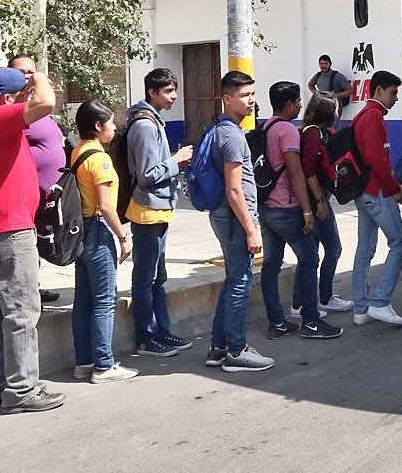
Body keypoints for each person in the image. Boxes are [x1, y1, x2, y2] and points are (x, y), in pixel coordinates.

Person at [0, 66, 64, 412]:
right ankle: (22, 389)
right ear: (8, 99)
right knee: (22, 310)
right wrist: (38, 77)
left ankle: (0, 383)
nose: (27, 101)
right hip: (6, 230)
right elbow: (47, 102)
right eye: (22, 95)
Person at [257, 82, 343, 341]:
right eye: (296, 102)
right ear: (287, 104)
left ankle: (277, 322)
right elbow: (297, 172)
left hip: (267, 206)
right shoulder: (288, 131)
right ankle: (311, 321)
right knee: (308, 259)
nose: (300, 106)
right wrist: (308, 210)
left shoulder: (268, 126)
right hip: (287, 207)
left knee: (270, 266)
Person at [205, 71, 273, 372]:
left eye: (252, 94)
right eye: (244, 95)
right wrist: (251, 229)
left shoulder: (221, 129)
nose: (251, 100)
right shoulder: (232, 135)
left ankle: (219, 347)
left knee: (233, 280)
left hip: (226, 216)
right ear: (227, 98)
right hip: (235, 219)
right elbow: (234, 190)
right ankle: (236, 350)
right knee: (240, 284)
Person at [125, 68, 194, 357]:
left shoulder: (155, 121)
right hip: (147, 210)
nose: (173, 96)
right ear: (152, 92)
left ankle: (161, 331)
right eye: (167, 91)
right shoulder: (144, 125)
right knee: (145, 277)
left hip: (159, 208)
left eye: (174, 90)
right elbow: (146, 174)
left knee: (158, 276)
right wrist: (176, 161)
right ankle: (147, 336)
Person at [69, 100, 137, 384]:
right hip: (97, 229)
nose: (114, 128)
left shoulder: (77, 152)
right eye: (110, 123)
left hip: (78, 230)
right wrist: (123, 236)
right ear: (98, 127)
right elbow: (106, 206)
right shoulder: (100, 159)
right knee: (105, 300)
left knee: (83, 299)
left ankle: (84, 361)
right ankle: (104, 365)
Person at [351, 69, 402, 327]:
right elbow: (376, 159)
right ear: (378, 90)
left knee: (364, 249)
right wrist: (394, 188)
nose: (395, 98)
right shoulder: (374, 116)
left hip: (364, 191)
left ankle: (361, 308)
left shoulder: (362, 116)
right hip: (377, 192)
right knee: (399, 244)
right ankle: (380, 302)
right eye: (393, 92)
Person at [7, 55, 65, 305]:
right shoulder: (11, 109)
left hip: (46, 193)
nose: (28, 77)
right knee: (24, 247)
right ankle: (25, 293)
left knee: (35, 246)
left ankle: (34, 288)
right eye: (22, 72)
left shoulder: (32, 105)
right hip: (25, 193)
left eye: (32, 72)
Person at [296, 92, 353, 315]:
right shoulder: (313, 134)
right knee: (333, 247)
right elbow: (308, 170)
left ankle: (299, 303)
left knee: (311, 253)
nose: (339, 112)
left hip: (318, 196)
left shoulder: (318, 133)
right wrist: (319, 201)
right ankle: (325, 298)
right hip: (316, 197)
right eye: (336, 107)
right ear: (329, 112)